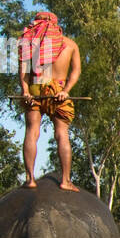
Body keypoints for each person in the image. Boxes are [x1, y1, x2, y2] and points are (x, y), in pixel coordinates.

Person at [19, 10, 81, 191]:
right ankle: (66, 180)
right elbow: (76, 71)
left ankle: (30, 179)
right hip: (58, 90)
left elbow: (23, 73)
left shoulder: (31, 44)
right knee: (62, 134)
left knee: (32, 131)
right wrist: (66, 91)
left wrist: (25, 92)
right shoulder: (69, 45)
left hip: (36, 89)